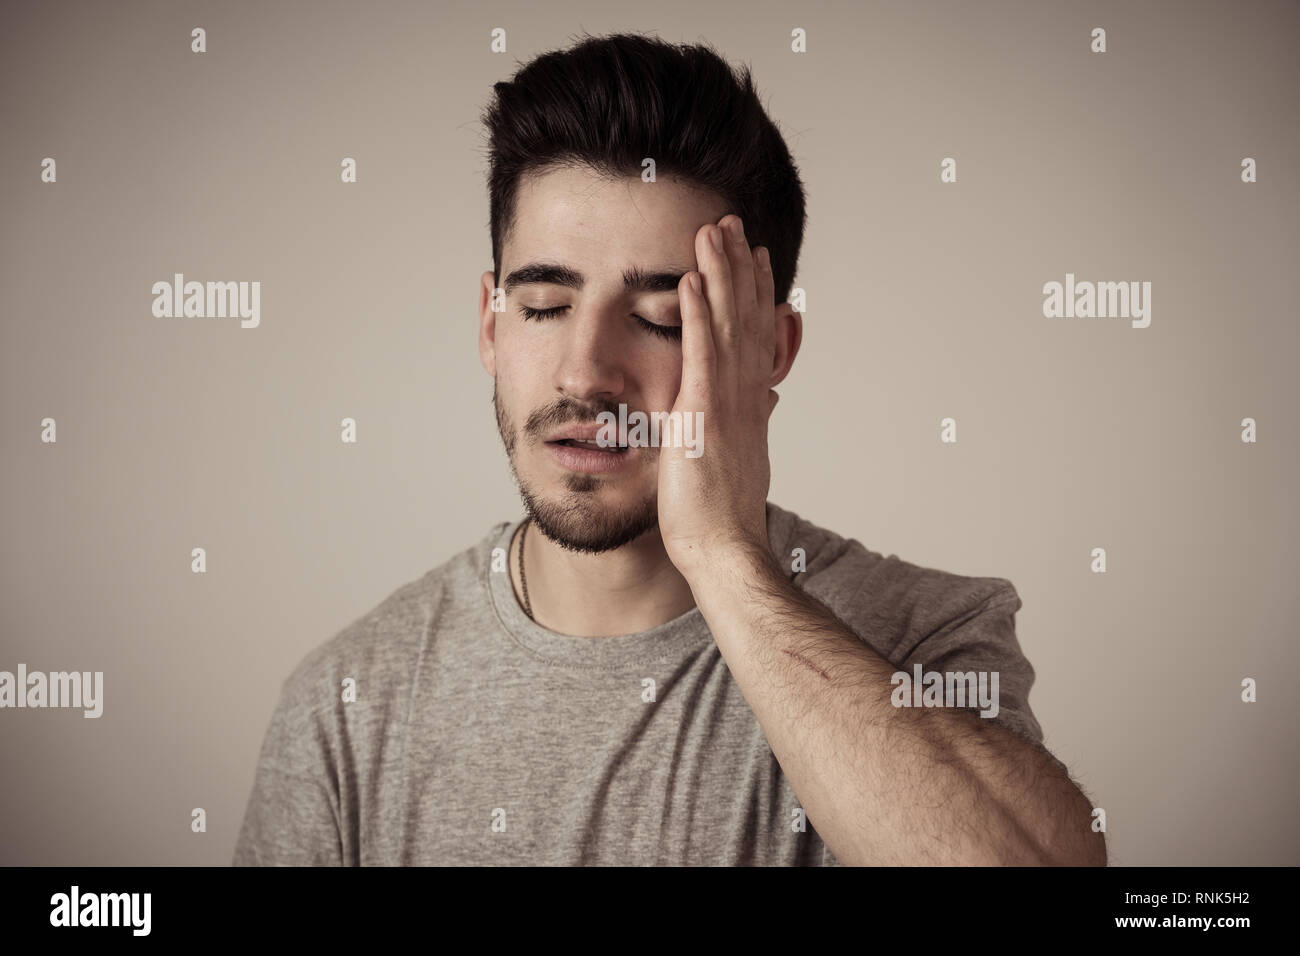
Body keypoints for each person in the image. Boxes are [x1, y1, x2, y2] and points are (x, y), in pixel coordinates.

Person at [233, 32, 1105, 866]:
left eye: (660, 318)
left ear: (768, 349)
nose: (586, 372)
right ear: (490, 325)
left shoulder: (921, 638)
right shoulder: (346, 707)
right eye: (542, 304)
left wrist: (722, 556)